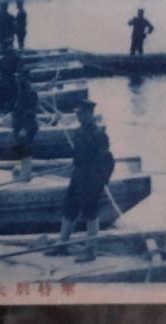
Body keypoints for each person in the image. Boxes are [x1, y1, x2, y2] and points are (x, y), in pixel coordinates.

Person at [44, 100, 114, 263]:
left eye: (81, 113)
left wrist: (103, 180)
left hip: (92, 178)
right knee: (69, 209)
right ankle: (62, 245)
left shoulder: (99, 134)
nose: (78, 116)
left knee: (90, 213)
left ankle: (90, 250)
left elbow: (108, 161)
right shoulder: (79, 131)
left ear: (90, 114)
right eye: (77, 113)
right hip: (78, 176)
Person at [10, 70, 38, 181]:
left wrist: (24, 129)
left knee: (26, 150)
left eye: (19, 77)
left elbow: (30, 113)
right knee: (20, 150)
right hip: (19, 125)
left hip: (26, 126)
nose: (17, 79)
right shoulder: (20, 91)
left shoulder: (30, 93)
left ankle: (26, 175)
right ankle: (24, 171)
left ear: (25, 79)